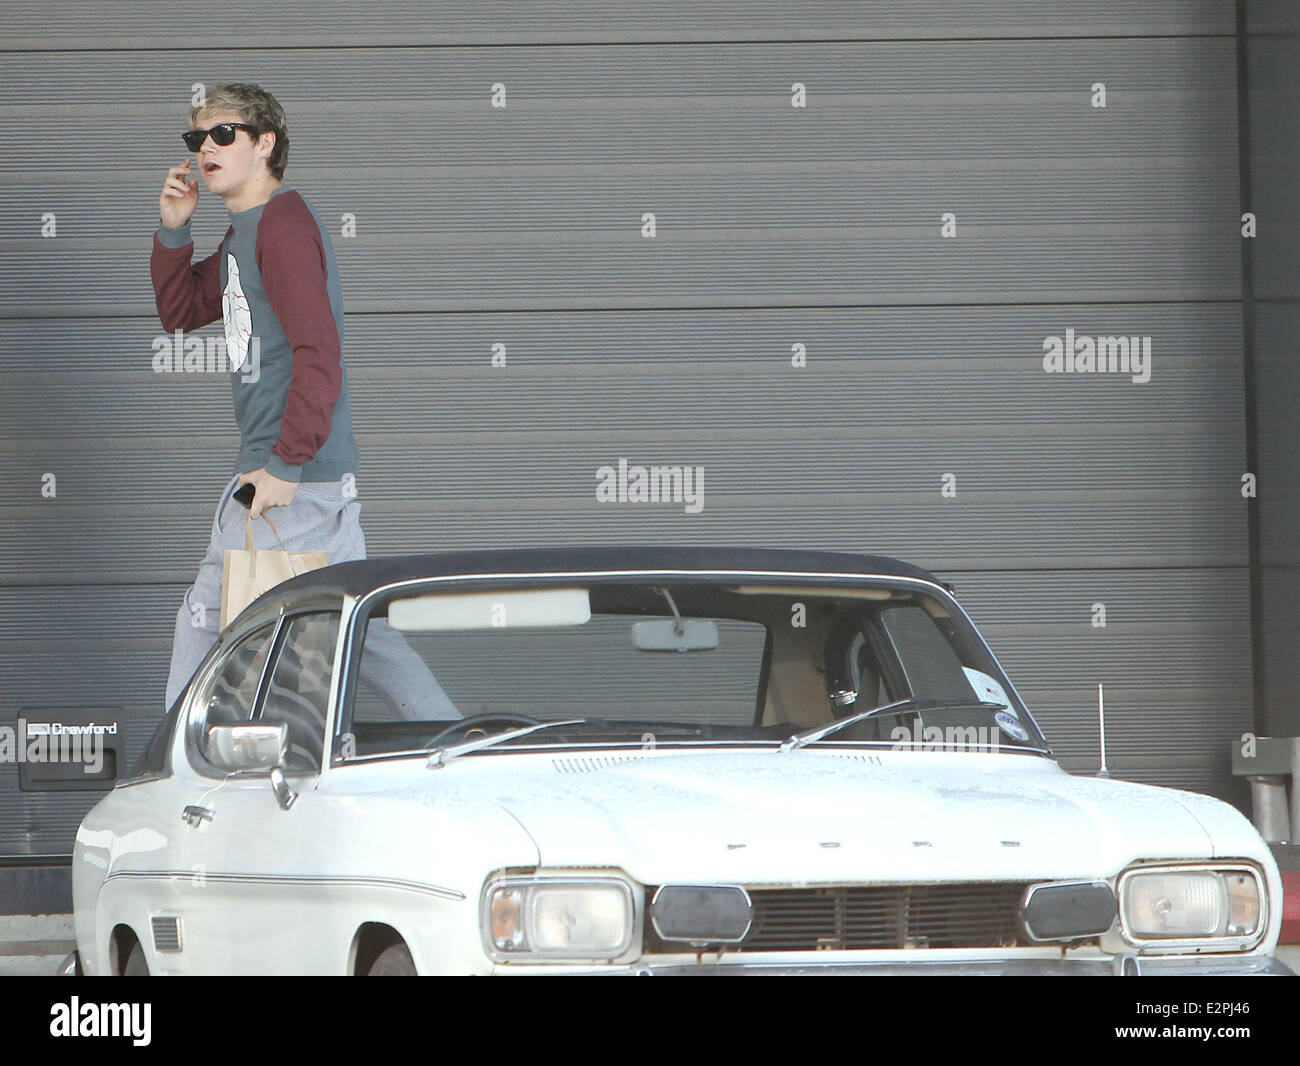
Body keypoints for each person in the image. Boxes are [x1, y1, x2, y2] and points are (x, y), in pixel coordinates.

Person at [152, 82, 458, 723]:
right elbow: (181, 311)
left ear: (265, 143)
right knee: (361, 631)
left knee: (208, 621)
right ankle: (450, 736)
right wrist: (175, 230)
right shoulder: (244, 236)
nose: (206, 147)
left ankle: (173, 771)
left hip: (291, 476)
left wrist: (285, 464)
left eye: (224, 134)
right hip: (298, 473)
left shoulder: (282, 226)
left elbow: (319, 354)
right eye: (197, 138)